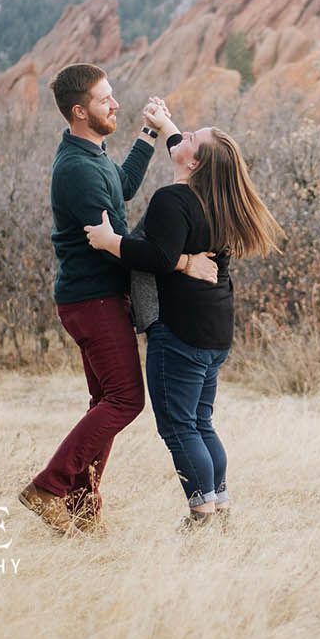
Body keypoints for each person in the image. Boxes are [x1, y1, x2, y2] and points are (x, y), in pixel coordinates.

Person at [19, 69, 203, 537]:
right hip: (92, 299)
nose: (115, 104)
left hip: (92, 297)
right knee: (125, 400)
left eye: (113, 96)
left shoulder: (89, 154)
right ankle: (48, 488)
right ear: (80, 111)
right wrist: (180, 262)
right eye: (105, 100)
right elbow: (114, 241)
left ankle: (83, 511)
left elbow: (120, 187)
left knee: (105, 399)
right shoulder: (77, 169)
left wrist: (147, 132)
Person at [85, 124, 282, 525]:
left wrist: (109, 241)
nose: (183, 135)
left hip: (180, 329)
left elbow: (156, 256)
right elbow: (186, 148)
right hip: (214, 328)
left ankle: (201, 514)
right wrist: (163, 124)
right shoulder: (220, 202)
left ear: (194, 162)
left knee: (179, 427)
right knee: (200, 422)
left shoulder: (173, 200)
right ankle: (220, 505)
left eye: (191, 137)